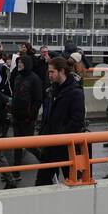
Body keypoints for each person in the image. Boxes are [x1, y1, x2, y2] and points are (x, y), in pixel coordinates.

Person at [35, 57, 85, 186]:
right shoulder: (53, 90)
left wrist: (59, 136)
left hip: (67, 147)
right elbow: (49, 118)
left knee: (74, 182)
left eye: (52, 72)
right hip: (51, 144)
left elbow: (77, 121)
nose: (49, 75)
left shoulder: (75, 92)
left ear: (61, 71)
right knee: (42, 182)